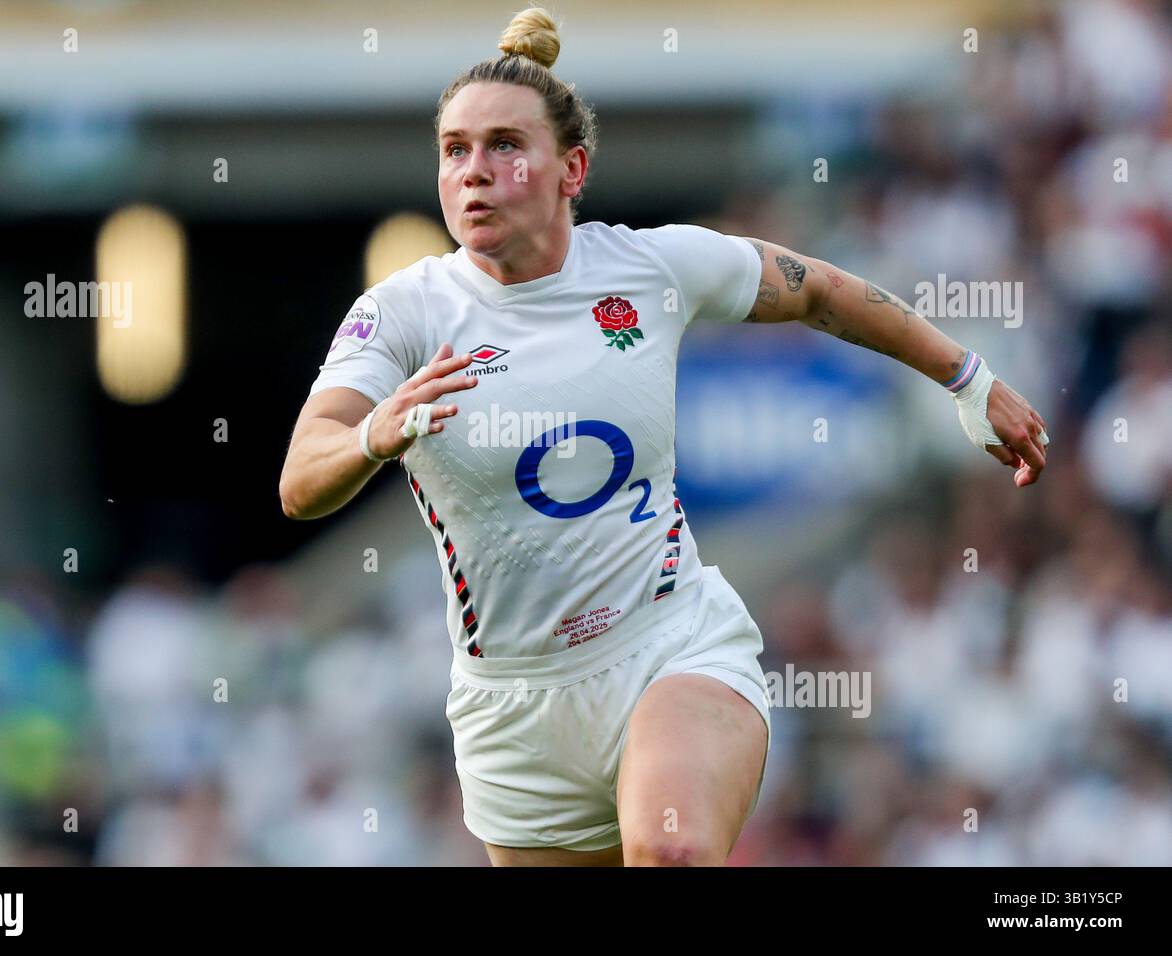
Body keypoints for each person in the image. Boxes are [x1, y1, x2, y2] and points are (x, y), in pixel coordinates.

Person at [279, 7, 1050, 867]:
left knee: (668, 850)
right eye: (455, 150)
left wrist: (968, 379)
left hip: (667, 646)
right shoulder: (404, 313)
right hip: (511, 706)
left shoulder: (652, 269)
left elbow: (818, 290)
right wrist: (370, 439)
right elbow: (302, 481)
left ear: (571, 169)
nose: (475, 172)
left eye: (505, 145)